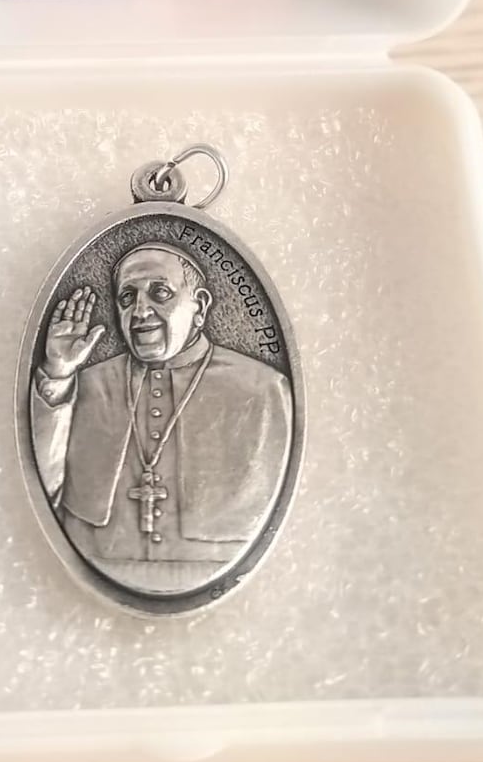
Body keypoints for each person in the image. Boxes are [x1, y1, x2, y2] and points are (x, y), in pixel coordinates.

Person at [30, 246, 292, 595]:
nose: (140, 311)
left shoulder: (262, 390)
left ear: (199, 306)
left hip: (224, 577)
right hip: (80, 578)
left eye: (160, 292)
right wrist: (58, 374)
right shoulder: (87, 384)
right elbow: (43, 491)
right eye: (127, 297)